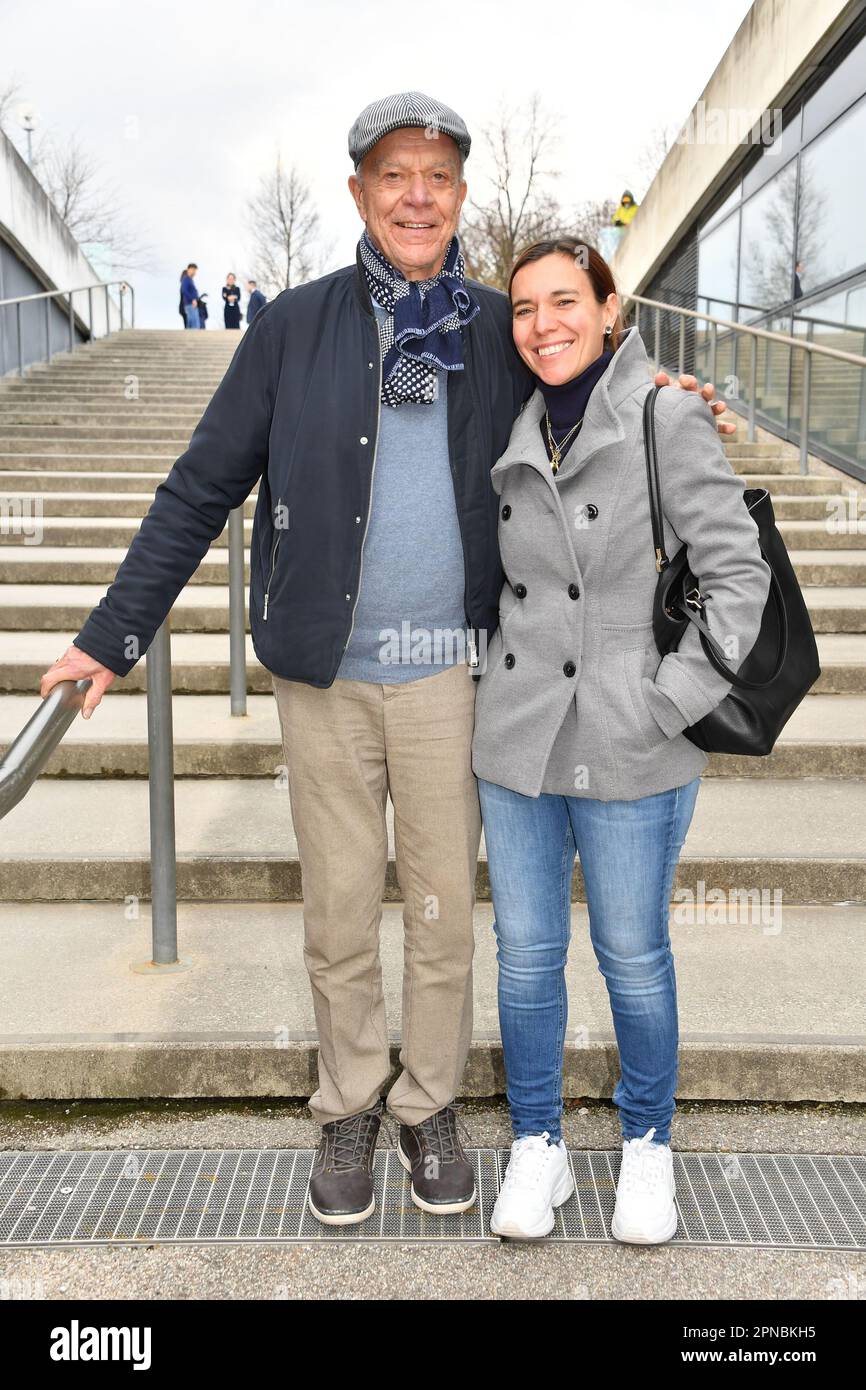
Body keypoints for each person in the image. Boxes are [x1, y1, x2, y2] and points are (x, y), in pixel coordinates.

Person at [39, 93, 731, 1230]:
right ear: (358, 191)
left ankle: (429, 1103)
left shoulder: (494, 325)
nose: (418, 195)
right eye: (395, 175)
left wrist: (670, 397)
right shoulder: (293, 328)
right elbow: (198, 487)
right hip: (323, 675)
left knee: (444, 912)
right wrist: (113, 633)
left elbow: (588, 388)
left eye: (439, 176)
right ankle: (350, 1100)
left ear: (461, 195)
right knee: (340, 905)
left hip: (457, 673)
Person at [470, 237, 771, 1243]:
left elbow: (738, 578)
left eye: (564, 301)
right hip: (516, 741)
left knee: (631, 954)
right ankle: (537, 1146)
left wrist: (669, 694)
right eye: (522, 308)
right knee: (523, 957)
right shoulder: (508, 425)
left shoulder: (664, 414)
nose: (542, 324)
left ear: (608, 308)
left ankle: (646, 1145)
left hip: (630, 738)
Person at [180, 263, 200, 329]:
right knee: (194, 323)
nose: (194, 272)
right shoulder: (186, 279)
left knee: (192, 322)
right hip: (190, 304)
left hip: (192, 304)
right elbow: (184, 290)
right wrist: (193, 299)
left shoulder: (190, 280)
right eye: (193, 270)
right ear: (188, 269)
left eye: (195, 271)